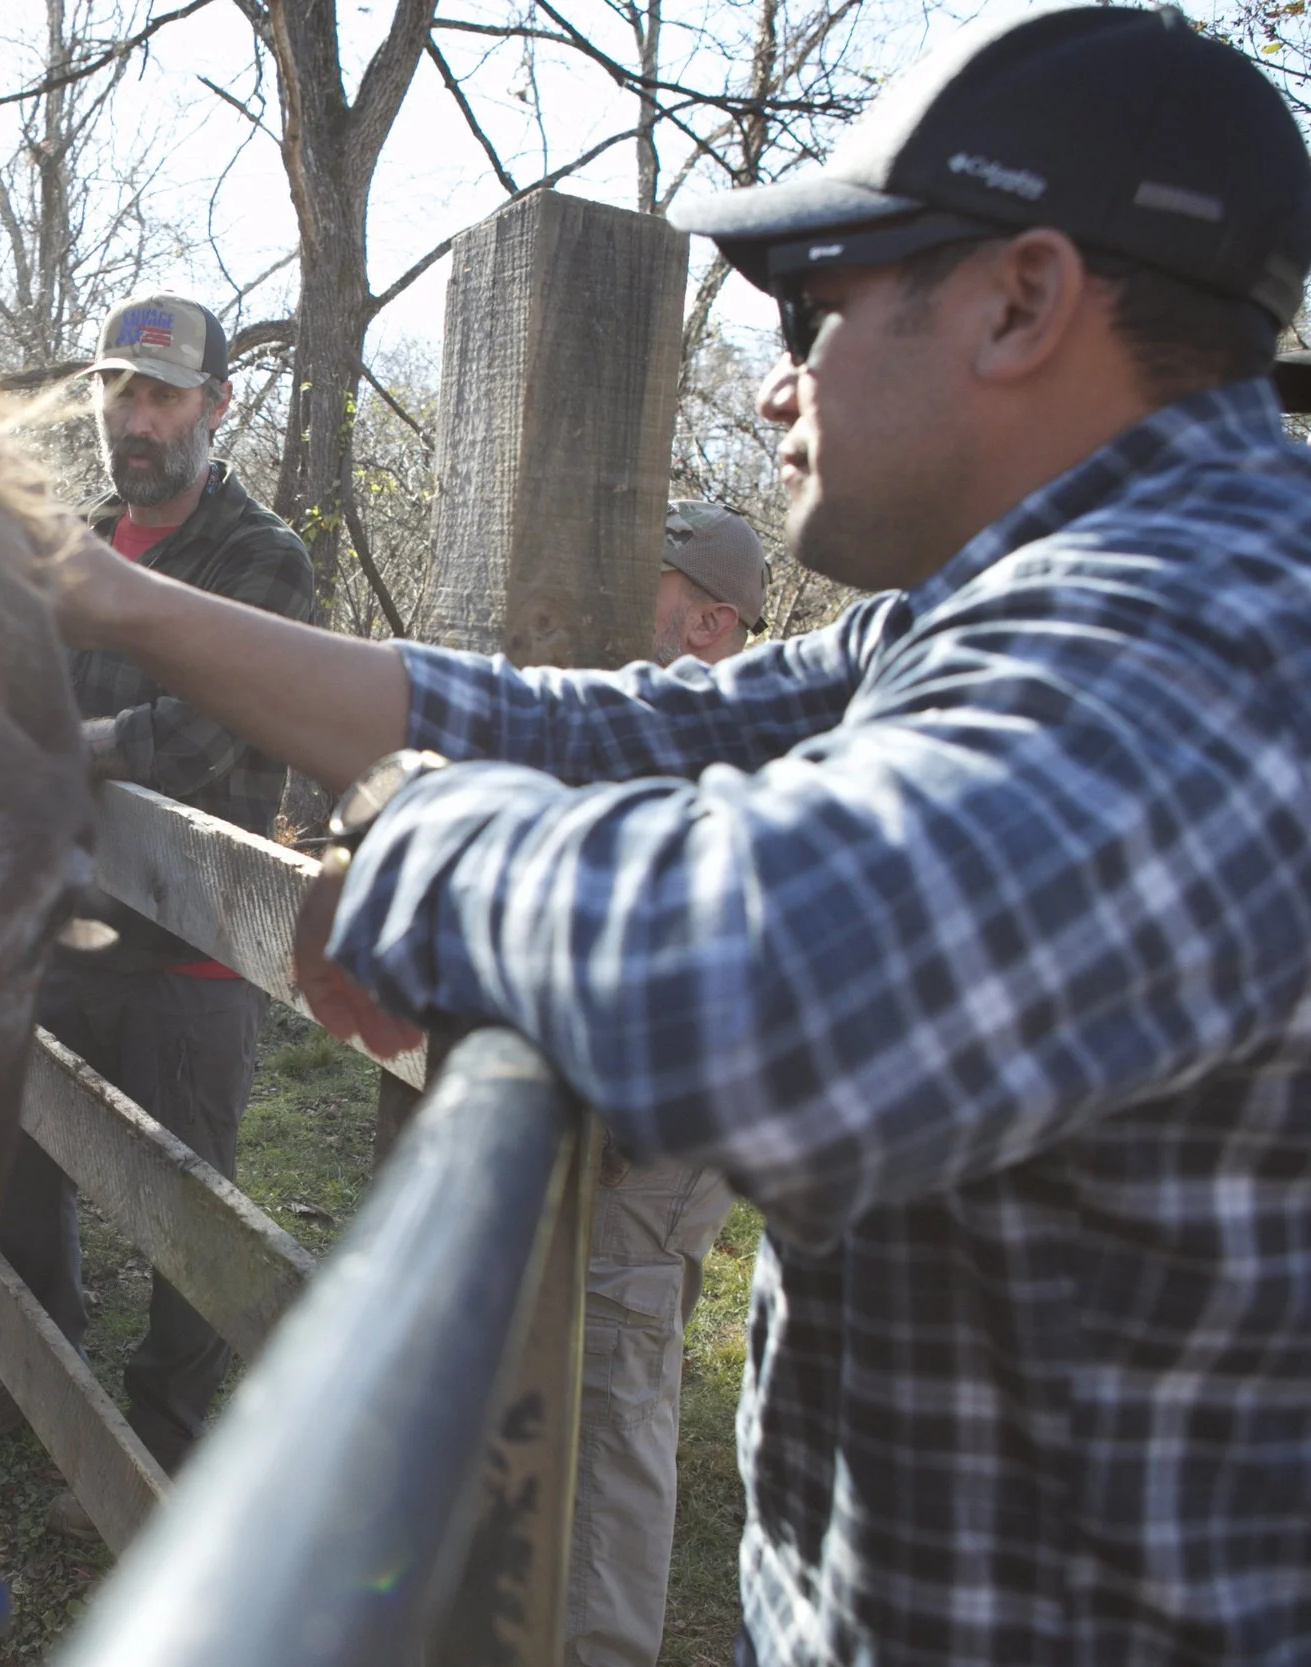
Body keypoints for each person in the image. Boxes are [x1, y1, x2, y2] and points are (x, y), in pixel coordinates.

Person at [43, 9, 1311, 1661]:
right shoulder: (990, 615)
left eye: (821, 298)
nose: (783, 378)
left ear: (1023, 300)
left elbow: (751, 980)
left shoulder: (1219, 638)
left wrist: (427, 849)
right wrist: (128, 607)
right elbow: (600, 725)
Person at [0, 294, 315, 1538]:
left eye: (160, 395)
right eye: (117, 392)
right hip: (56, 919)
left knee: (187, 1207)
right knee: (22, 1155)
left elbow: (222, 734)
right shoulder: (79, 542)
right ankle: (42, 1377)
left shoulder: (260, 559)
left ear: (215, 404)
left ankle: (160, 1436)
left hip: (193, 947)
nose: (133, 420)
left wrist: (70, 742)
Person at [566, 502, 761, 1667]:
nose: (627, 608)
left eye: (653, 586)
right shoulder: (671, 725)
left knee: (617, 1393)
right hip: (631, 1118)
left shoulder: (738, 743)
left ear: (708, 620)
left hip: (658, 1134)